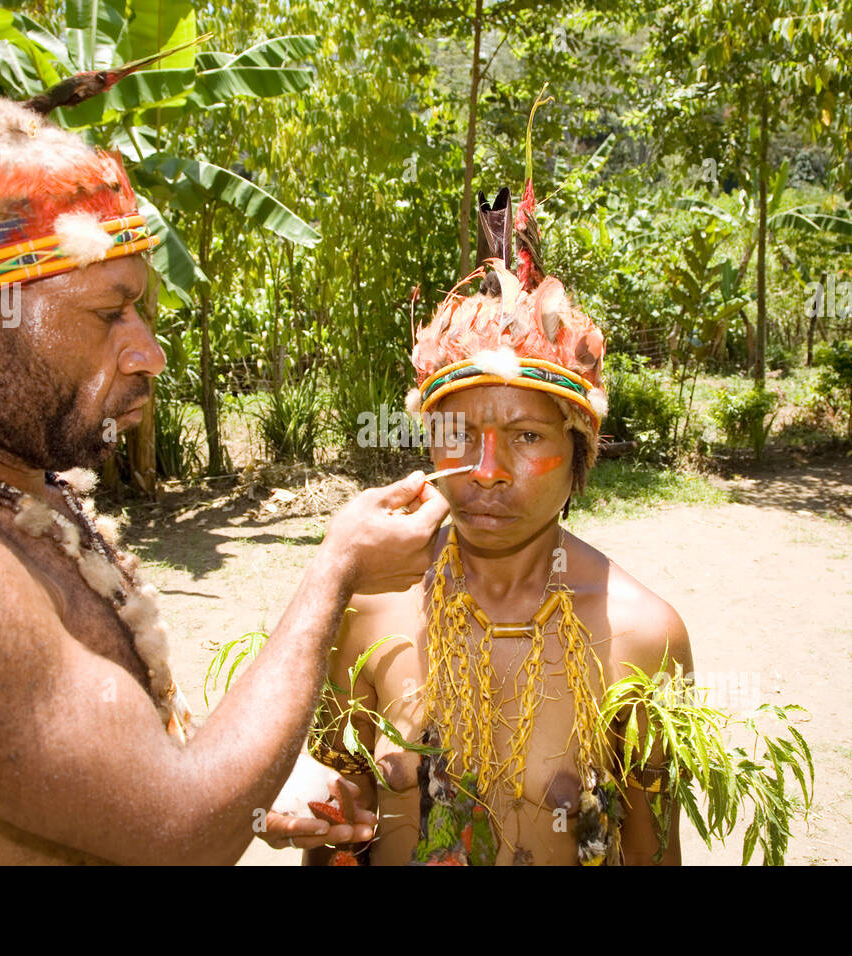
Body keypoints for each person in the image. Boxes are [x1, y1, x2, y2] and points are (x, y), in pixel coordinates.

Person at [0, 63, 447, 864]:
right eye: (108, 314)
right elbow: (174, 830)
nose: (149, 352)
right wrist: (333, 570)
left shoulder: (11, 495)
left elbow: (105, 770)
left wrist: (255, 800)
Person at [266, 184, 694, 865]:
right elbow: (337, 834)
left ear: (579, 448)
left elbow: (653, 851)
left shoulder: (642, 638)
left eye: (526, 436)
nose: (486, 470)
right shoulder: (370, 609)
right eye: (457, 433)